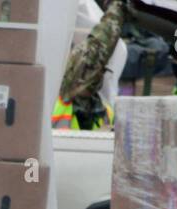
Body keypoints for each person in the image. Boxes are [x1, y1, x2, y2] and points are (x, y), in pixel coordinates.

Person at [53, 0, 127, 130]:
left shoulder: (104, 110)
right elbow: (94, 51)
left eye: (102, 70)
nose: (98, 73)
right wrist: (117, 9)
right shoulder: (66, 91)